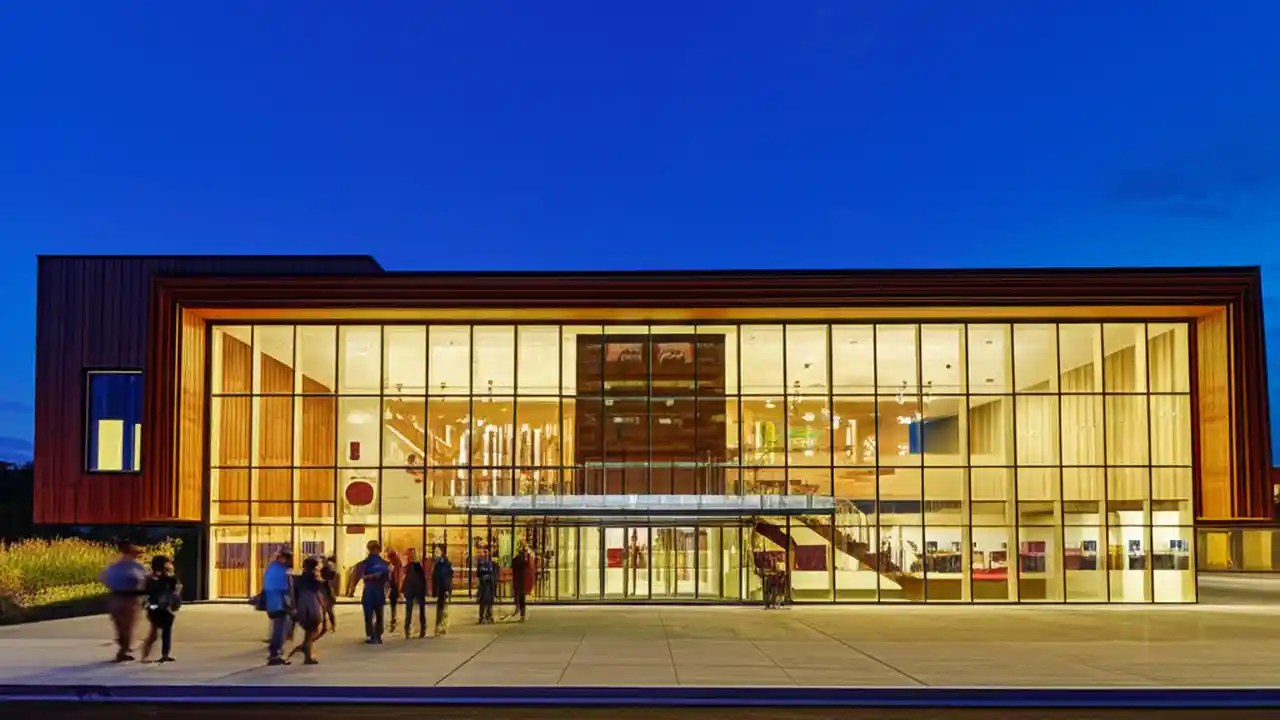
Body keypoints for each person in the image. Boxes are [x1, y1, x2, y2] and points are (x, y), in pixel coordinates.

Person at [98, 541, 147, 662]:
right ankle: (123, 648)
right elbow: (144, 581)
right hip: (129, 598)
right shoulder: (136, 567)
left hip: (117, 596)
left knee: (121, 625)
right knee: (127, 626)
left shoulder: (114, 566)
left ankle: (123, 647)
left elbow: (103, 577)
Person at [140, 555, 181, 663]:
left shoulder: (162, 578)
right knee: (157, 631)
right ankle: (156, 654)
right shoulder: (157, 578)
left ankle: (160, 654)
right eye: (167, 563)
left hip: (162, 607)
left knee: (161, 631)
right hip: (158, 607)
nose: (170, 565)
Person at [287, 557, 327, 665]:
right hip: (311, 604)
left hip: (302, 604)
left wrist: (294, 608)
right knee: (312, 631)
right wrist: (324, 609)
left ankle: (306, 649)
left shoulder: (299, 579)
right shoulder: (315, 579)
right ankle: (306, 653)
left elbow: (294, 593)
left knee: (310, 631)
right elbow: (319, 595)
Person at [262, 548, 295, 665]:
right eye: (288, 559)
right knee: (280, 630)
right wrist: (292, 606)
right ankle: (275, 655)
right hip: (279, 603)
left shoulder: (271, 567)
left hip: (271, 603)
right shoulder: (283, 570)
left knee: (277, 628)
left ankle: (275, 652)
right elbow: (286, 589)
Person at [355, 540, 390, 644]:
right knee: (378, 613)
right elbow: (387, 579)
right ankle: (377, 635)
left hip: (370, 590)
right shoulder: (383, 564)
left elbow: (360, 575)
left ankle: (372, 635)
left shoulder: (365, 563)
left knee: (369, 614)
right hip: (378, 590)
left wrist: (368, 577)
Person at [401, 548, 428, 639]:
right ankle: (420, 628)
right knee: (419, 609)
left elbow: (406, 578)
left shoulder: (410, 567)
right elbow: (423, 579)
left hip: (412, 590)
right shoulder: (417, 567)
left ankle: (408, 627)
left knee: (410, 609)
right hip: (416, 590)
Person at [430, 544, 453, 636]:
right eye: (435, 552)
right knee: (440, 608)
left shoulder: (444, 563)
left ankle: (441, 626)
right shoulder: (438, 563)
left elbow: (445, 576)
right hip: (441, 589)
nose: (436, 554)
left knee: (442, 608)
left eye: (437, 551)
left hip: (444, 588)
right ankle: (439, 626)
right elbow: (435, 577)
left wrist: (447, 588)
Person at [510, 541, 532, 622]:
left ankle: (518, 609)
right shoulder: (524, 559)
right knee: (521, 598)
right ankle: (521, 613)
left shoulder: (517, 559)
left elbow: (512, 567)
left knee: (518, 597)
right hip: (521, 581)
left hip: (518, 581)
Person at [475, 546, 497, 624]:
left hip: (489, 585)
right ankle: (482, 617)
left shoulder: (492, 563)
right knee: (483, 601)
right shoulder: (481, 562)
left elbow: (495, 574)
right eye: (484, 552)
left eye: (487, 552)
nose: (485, 553)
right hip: (483, 585)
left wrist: (492, 580)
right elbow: (478, 574)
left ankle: (489, 616)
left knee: (489, 601)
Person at [385, 548, 403, 634]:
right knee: (393, 604)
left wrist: (398, 589)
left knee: (393, 604)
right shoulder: (396, 564)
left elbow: (395, 576)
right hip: (394, 586)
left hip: (394, 586)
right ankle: (393, 619)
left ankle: (393, 619)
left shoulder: (394, 564)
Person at [319, 556, 339, 634]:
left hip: (327, 592)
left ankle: (329, 625)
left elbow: (331, 582)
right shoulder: (323, 571)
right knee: (325, 611)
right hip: (325, 592)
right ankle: (327, 626)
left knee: (328, 610)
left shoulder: (329, 571)